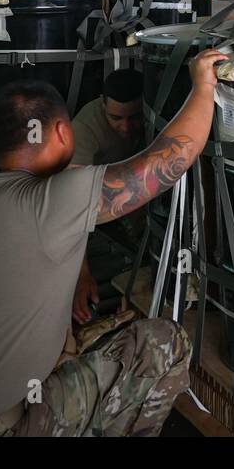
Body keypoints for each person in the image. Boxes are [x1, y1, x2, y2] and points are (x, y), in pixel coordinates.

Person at [0, 48, 229, 437]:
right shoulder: (48, 200)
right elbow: (170, 161)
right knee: (165, 341)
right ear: (63, 132)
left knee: (75, 340)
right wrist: (203, 84)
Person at [70, 68, 147, 324]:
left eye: (135, 117)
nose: (126, 127)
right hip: (93, 196)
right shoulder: (84, 127)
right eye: (116, 118)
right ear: (103, 106)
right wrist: (81, 274)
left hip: (139, 188)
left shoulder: (155, 116)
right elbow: (72, 205)